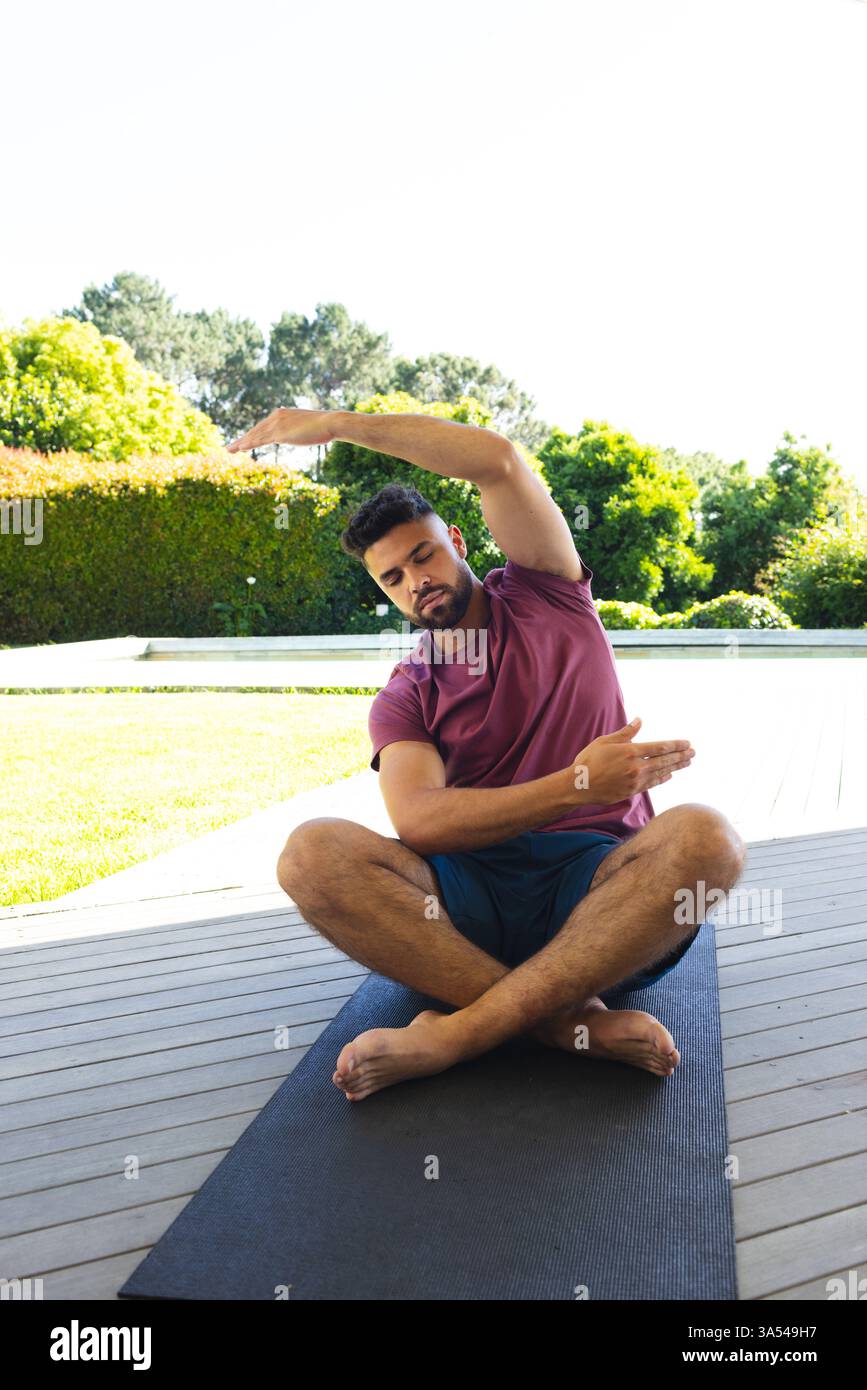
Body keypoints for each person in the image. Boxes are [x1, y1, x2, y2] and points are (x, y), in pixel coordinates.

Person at [229, 408, 747, 1102]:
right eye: (392, 578)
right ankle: (563, 1025)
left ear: (458, 541)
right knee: (308, 855)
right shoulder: (405, 694)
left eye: (423, 555)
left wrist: (334, 425)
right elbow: (420, 824)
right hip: (462, 912)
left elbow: (496, 461)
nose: (415, 581)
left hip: (597, 898)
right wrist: (575, 785)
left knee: (709, 840)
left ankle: (458, 1033)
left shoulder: (548, 592)